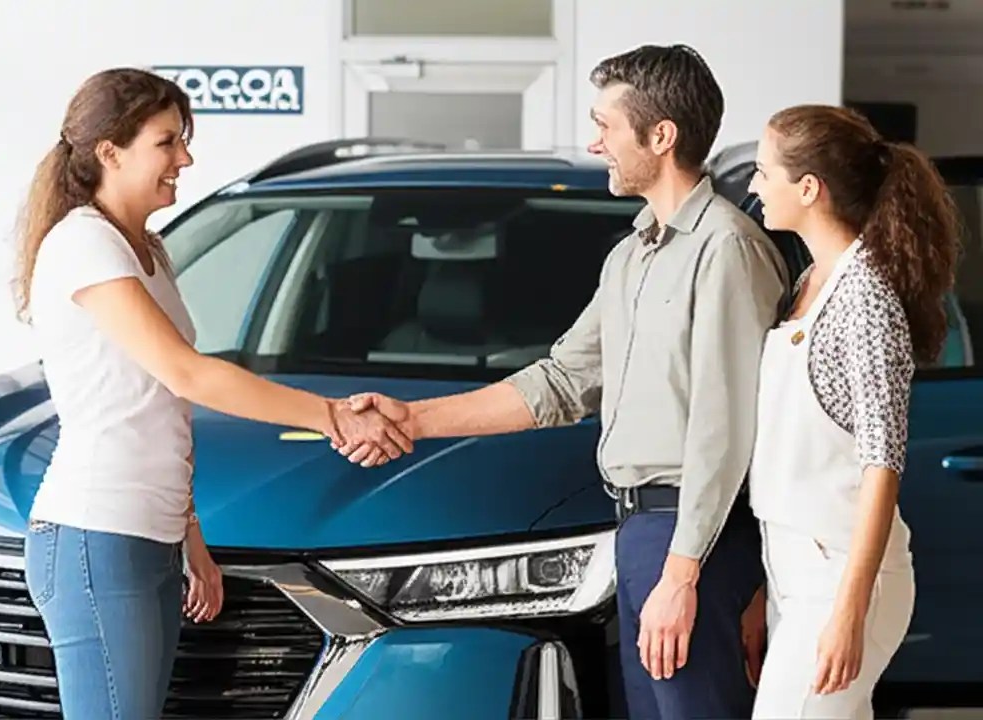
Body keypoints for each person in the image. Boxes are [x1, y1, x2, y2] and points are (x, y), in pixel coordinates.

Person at [338, 44, 789, 718]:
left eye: (605, 126)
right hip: (638, 531)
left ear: (660, 136)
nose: (595, 141)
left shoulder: (726, 249)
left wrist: (684, 570)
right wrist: (413, 418)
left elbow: (725, 431)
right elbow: (559, 382)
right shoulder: (631, 256)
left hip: (691, 535)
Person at [12, 68, 411, 720]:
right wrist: (335, 417)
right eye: (167, 142)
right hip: (96, 536)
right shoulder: (84, 243)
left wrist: (189, 537)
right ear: (110, 152)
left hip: (146, 535)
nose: (185, 159)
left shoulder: (147, 247)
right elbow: (188, 375)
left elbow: (155, 411)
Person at [744, 104, 959, 718]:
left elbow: (881, 466)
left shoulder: (865, 297)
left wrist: (848, 610)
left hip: (839, 583)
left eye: (763, 172)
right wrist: (769, 589)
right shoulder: (810, 280)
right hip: (797, 574)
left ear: (808, 188)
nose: (754, 187)